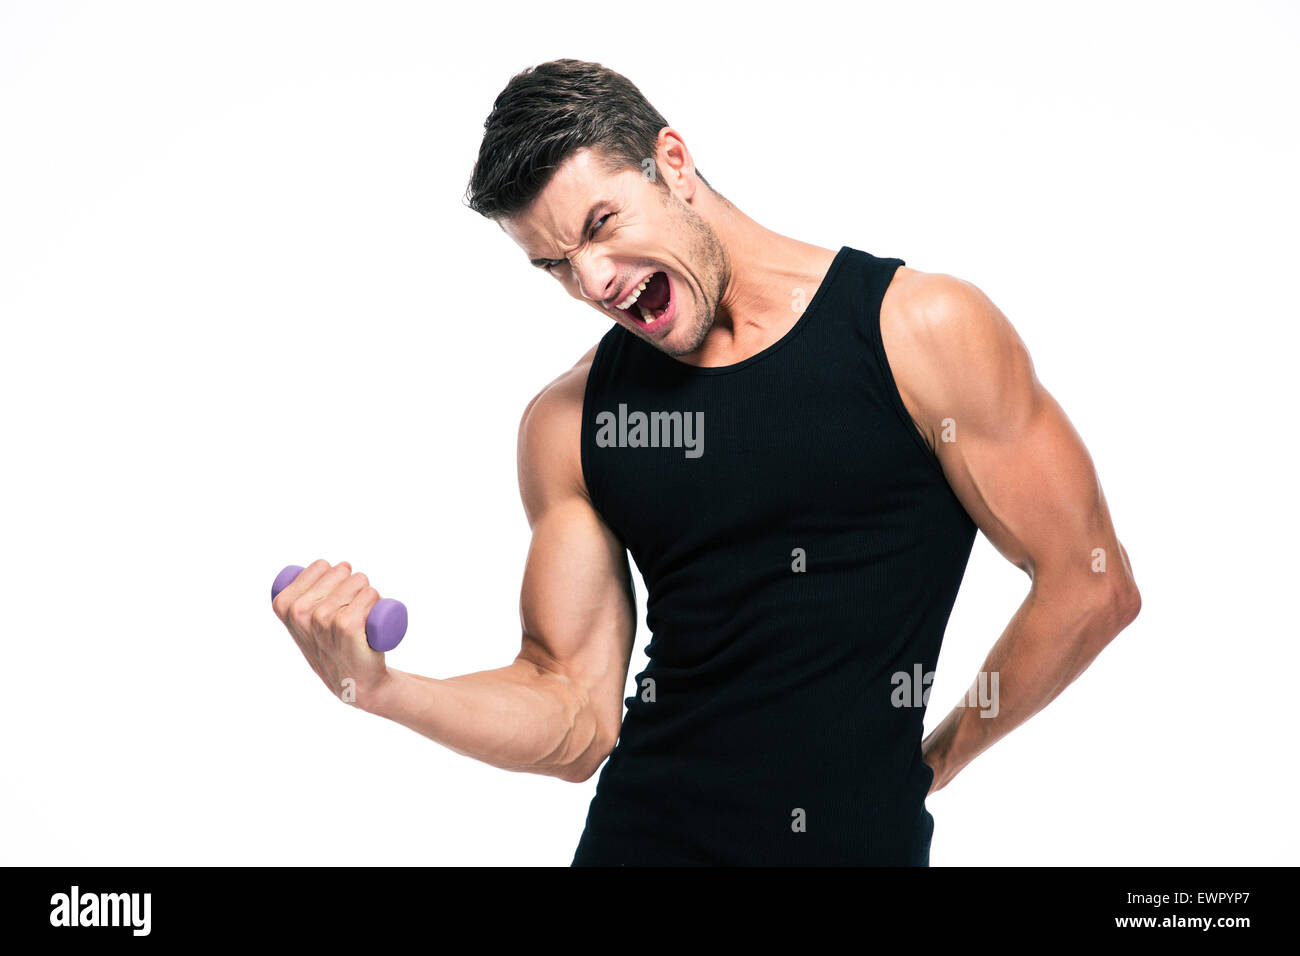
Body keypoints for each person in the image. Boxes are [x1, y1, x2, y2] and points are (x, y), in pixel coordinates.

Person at [272, 59, 1141, 866]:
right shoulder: (571, 422)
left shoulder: (919, 330)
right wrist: (384, 691)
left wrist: (936, 757)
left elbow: (1089, 583)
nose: (597, 283)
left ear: (673, 163)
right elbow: (573, 711)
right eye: (556, 267)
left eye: (601, 226)